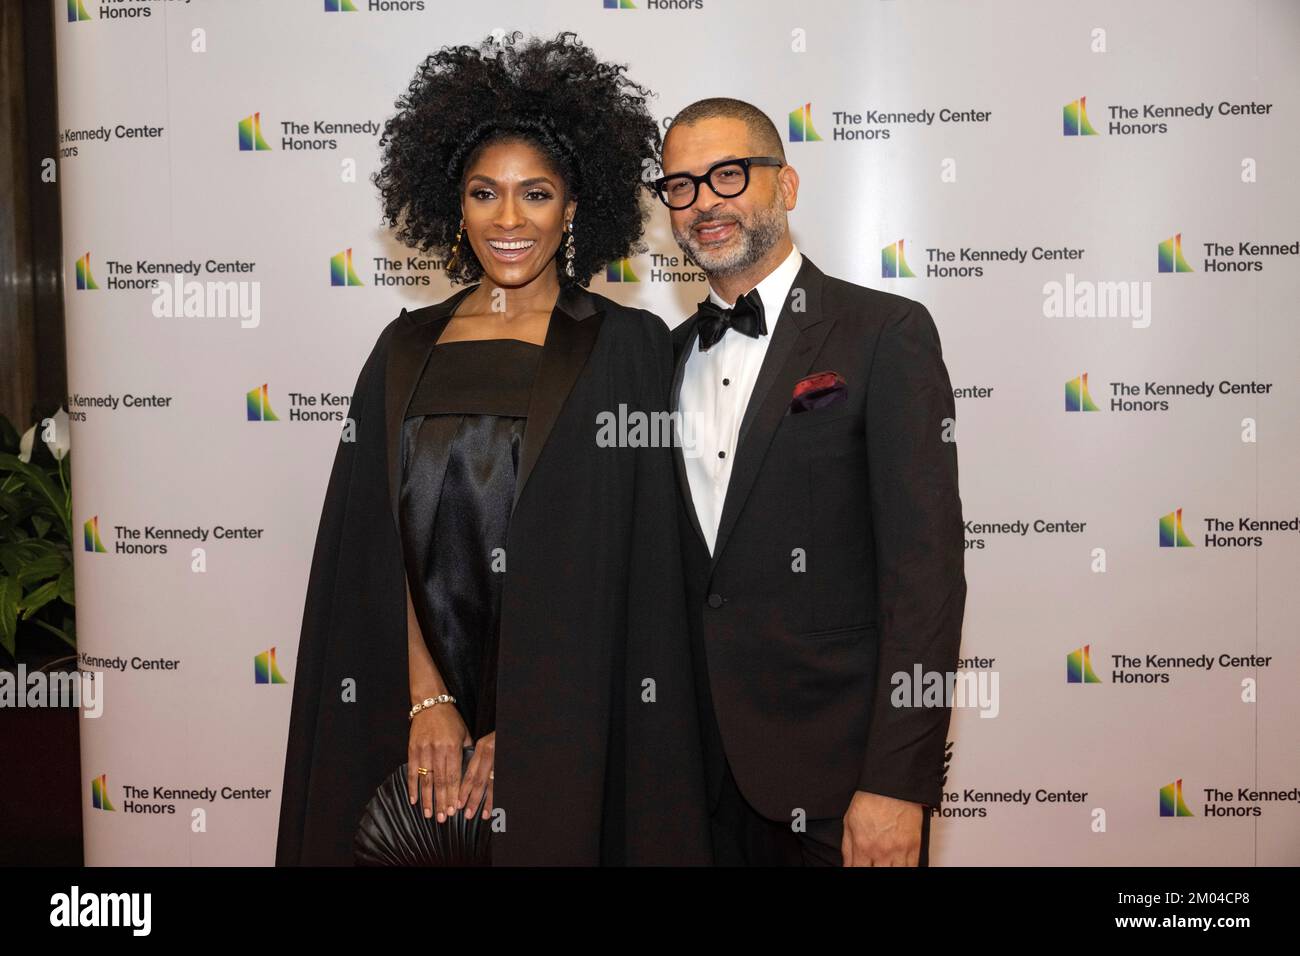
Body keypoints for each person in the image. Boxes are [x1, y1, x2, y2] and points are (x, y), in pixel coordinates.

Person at [276, 32, 711, 866]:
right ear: (454, 204)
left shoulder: (628, 347)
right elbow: (376, 555)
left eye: (536, 194)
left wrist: (533, 727)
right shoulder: (404, 351)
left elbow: (633, 576)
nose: (509, 221)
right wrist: (427, 697)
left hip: (571, 722)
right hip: (418, 722)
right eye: (484, 193)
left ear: (575, 205)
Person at [653, 97, 967, 866]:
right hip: (690, 788)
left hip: (840, 789)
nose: (704, 203)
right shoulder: (661, 358)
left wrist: (898, 783)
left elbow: (924, 579)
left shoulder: (885, 334)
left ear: (786, 185)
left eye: (728, 175)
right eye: (681, 186)